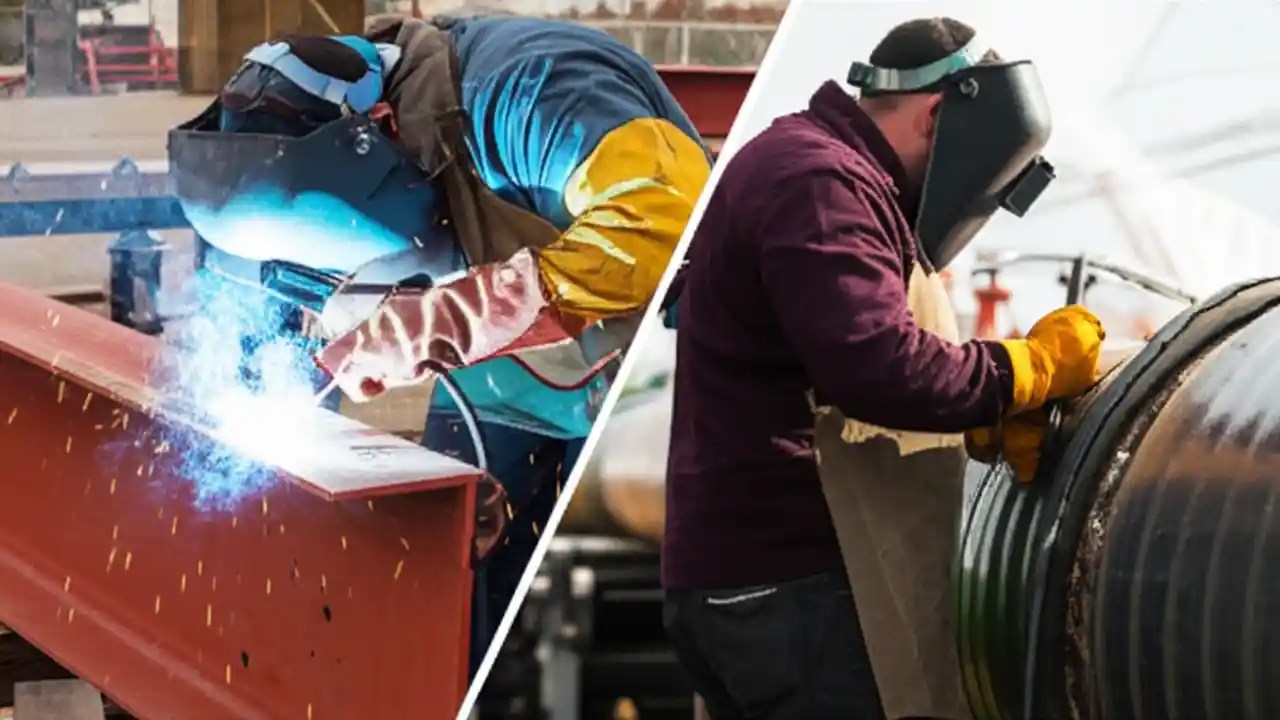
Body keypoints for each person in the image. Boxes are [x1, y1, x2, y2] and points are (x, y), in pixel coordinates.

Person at [167, 13, 711, 675]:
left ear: (384, 129)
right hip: (497, 372)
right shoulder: (289, 142)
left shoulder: (534, 91)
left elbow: (662, 222)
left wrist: (443, 322)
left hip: (636, 368)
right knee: (447, 557)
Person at [660, 17, 1104, 720]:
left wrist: (981, 408)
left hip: (753, 583)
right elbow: (877, 364)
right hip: (792, 589)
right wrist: (1025, 372)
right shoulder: (822, 182)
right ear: (937, 114)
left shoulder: (800, 160)